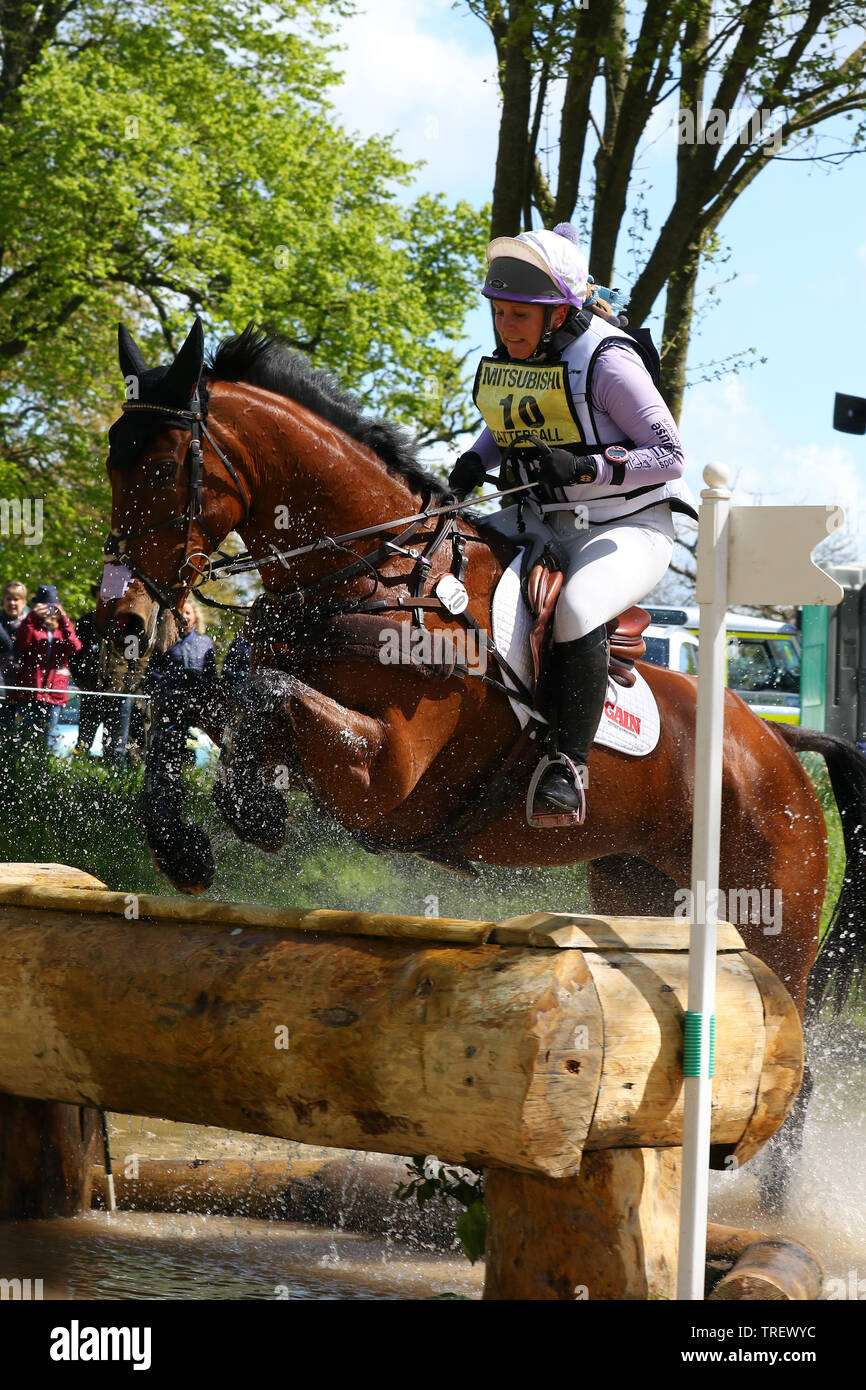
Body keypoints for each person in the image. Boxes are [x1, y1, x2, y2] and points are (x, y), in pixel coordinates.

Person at [448, 224, 698, 823]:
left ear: (558, 313)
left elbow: (670, 453)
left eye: (518, 315)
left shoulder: (608, 361)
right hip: (541, 517)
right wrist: (472, 462)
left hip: (627, 525)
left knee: (580, 608)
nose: (506, 326)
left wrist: (592, 464)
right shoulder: (526, 354)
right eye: (500, 313)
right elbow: (508, 418)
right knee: (447, 553)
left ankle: (567, 763)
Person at [9, 584, 82, 749]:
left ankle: (46, 769)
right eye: (44, 606)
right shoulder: (30, 624)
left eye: (52, 606)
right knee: (27, 738)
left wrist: (63, 617)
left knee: (49, 738)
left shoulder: (62, 629)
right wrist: (32, 617)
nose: (48, 610)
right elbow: (21, 644)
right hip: (30, 692)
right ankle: (24, 769)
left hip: (54, 693)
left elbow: (75, 647)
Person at [70, 584, 132, 766]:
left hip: (119, 695)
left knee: (117, 749)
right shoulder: (85, 622)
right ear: (97, 594)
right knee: (83, 744)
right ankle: (77, 780)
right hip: (91, 692)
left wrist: (128, 685)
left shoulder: (129, 624)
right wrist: (81, 682)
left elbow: (137, 659)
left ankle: (113, 785)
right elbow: (74, 656)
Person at [0, 581, 29, 731]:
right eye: (8, 598)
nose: (12, 603)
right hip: (2, 689)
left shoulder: (34, 624)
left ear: (24, 602)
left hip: (28, 691)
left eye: (16, 599)